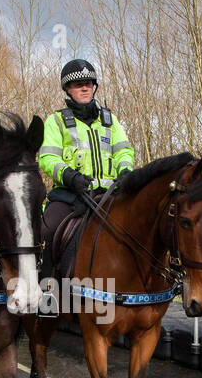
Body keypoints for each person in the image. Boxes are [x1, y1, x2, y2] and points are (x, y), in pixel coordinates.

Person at [37, 59, 136, 243]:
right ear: (68, 89)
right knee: (45, 232)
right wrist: (69, 176)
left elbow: (124, 151)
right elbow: (48, 157)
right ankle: (44, 273)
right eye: (78, 84)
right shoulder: (55, 121)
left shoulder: (110, 120)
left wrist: (125, 172)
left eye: (88, 84)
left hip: (110, 195)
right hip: (70, 196)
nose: (85, 88)